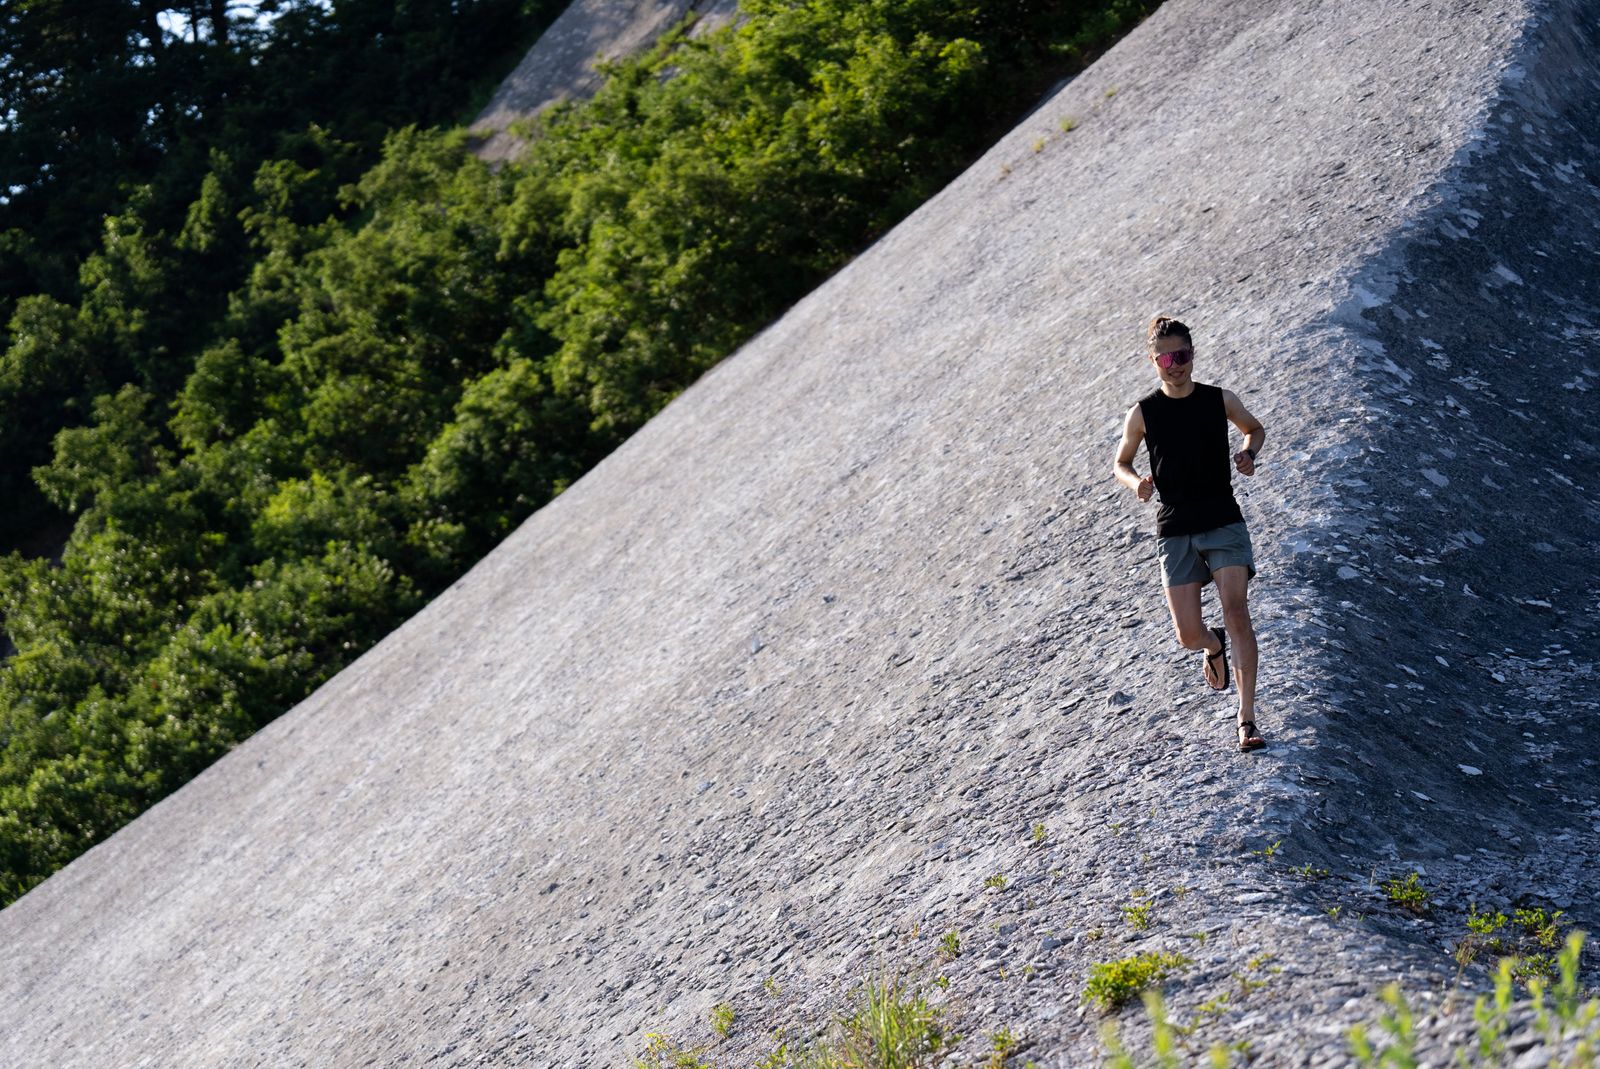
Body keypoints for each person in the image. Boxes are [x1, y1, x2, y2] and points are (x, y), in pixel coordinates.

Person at [1112, 315, 1268, 752]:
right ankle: (1212, 643)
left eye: (1181, 355)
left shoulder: (1219, 400)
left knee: (1237, 612)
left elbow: (1254, 428)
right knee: (1187, 635)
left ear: (1192, 355)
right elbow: (1120, 462)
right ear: (1153, 361)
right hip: (1175, 528)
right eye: (1166, 357)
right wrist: (1136, 482)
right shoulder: (1143, 413)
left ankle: (1247, 719)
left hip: (1222, 521)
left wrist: (1248, 452)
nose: (1175, 364)